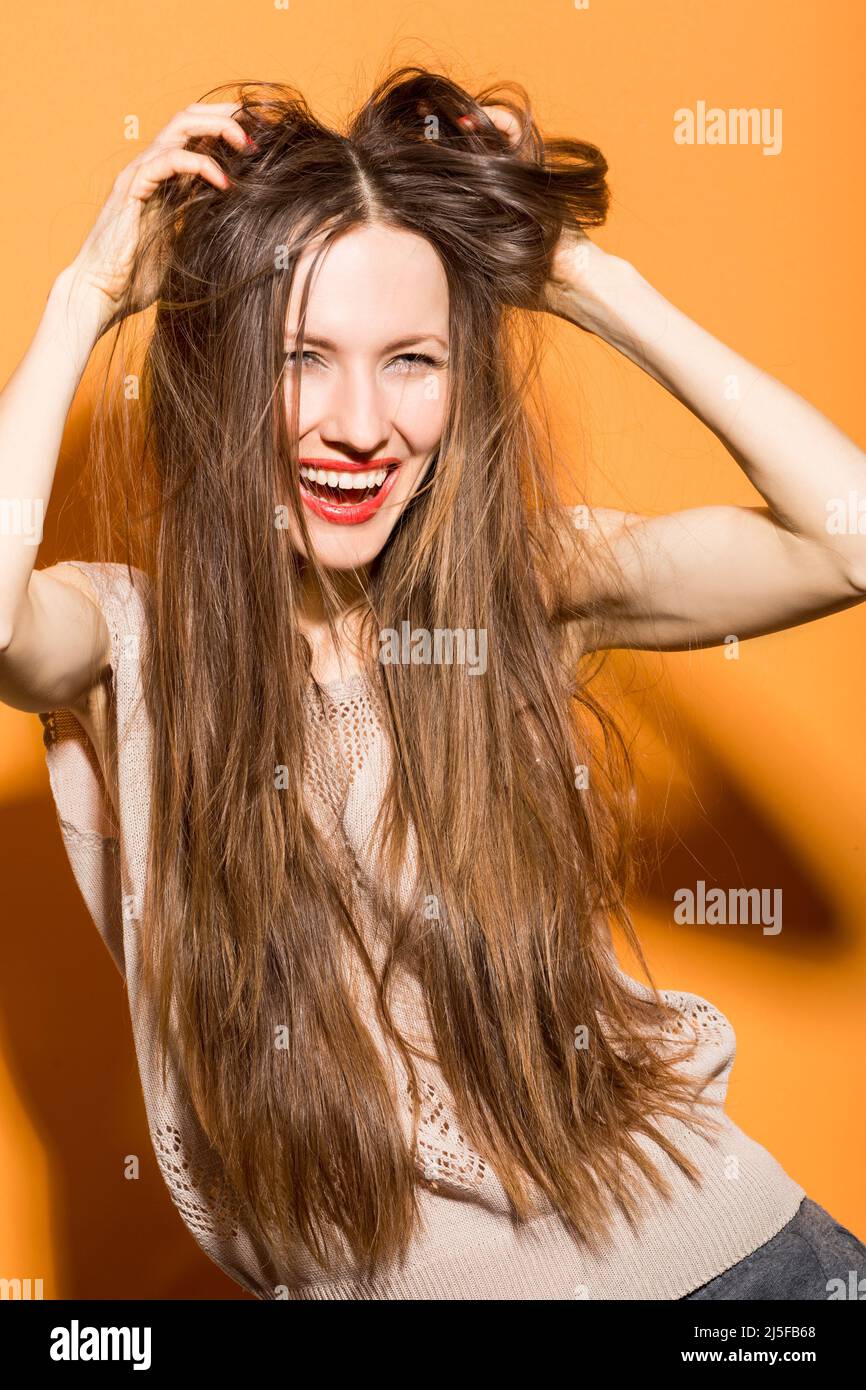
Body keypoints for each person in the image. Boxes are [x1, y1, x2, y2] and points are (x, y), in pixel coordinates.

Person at [1, 67, 864, 1301]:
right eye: (303, 355)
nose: (361, 424)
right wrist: (83, 297)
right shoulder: (125, 642)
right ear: (218, 369)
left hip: (734, 1278)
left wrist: (573, 278)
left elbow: (849, 538)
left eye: (413, 360)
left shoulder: (510, 595)